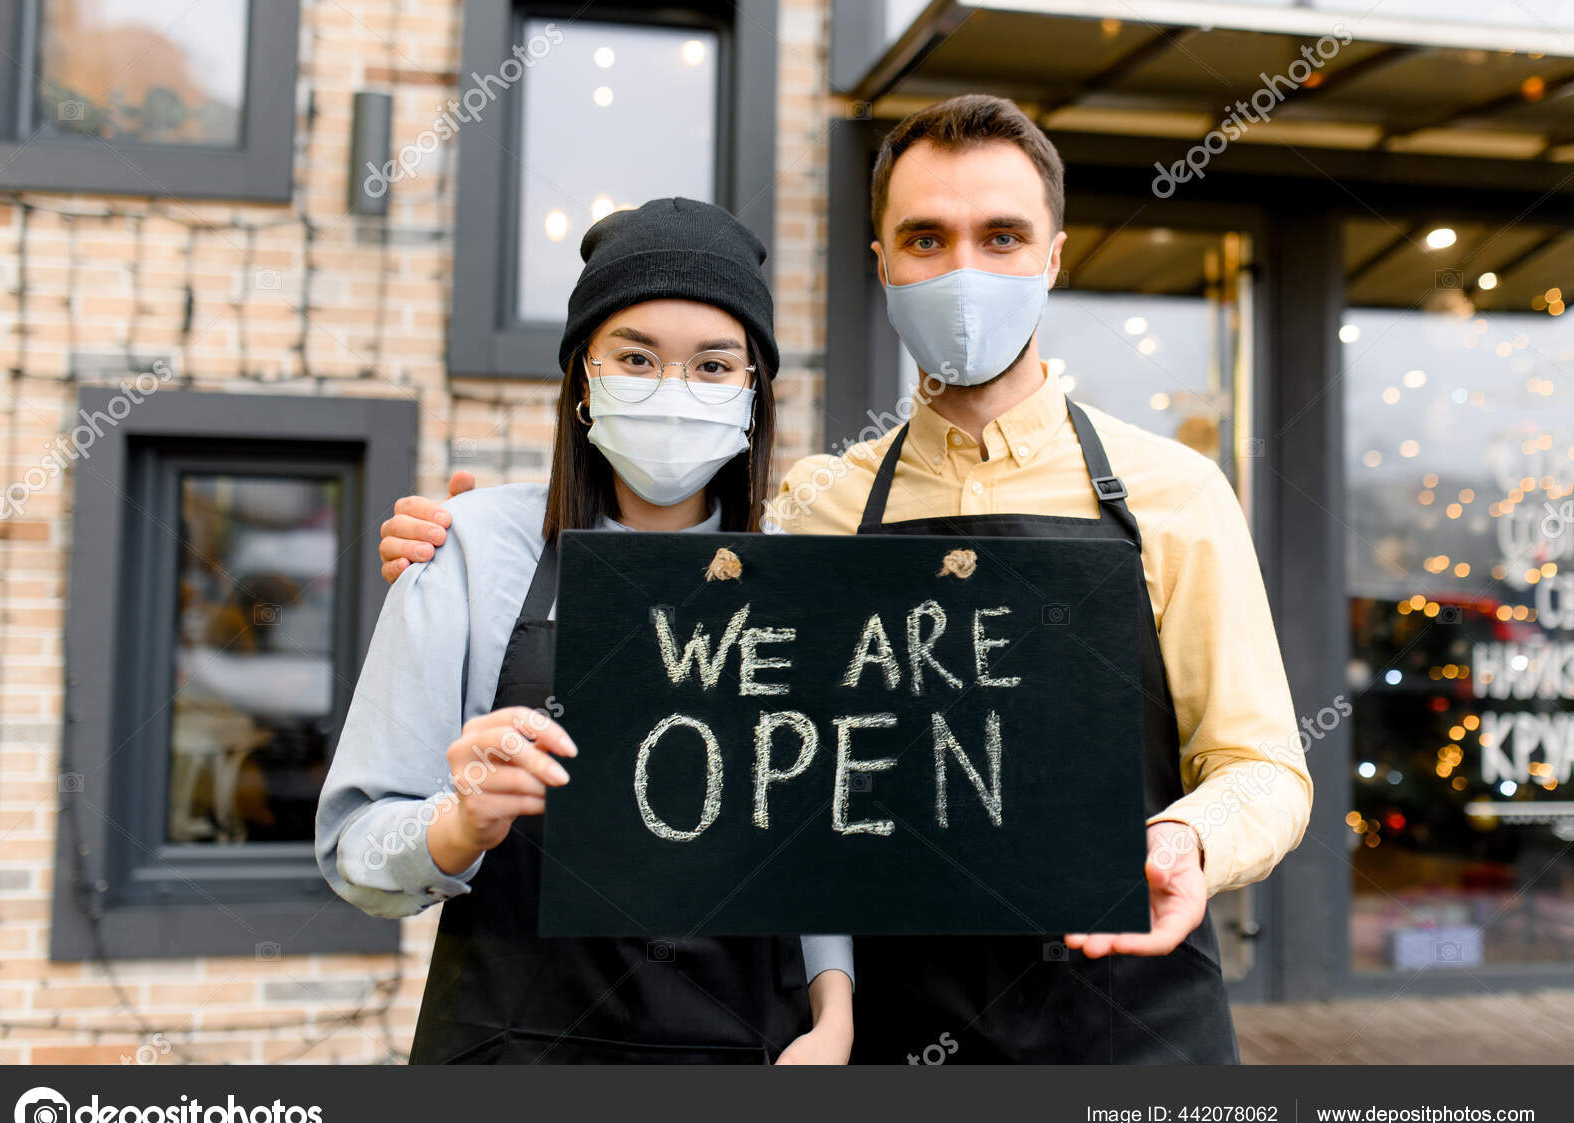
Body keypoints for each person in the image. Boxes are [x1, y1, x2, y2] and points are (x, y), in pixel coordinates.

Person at [376, 96, 1314, 1065]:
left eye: (1000, 237)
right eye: (925, 238)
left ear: (1052, 256)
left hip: (1130, 1022)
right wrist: (473, 545)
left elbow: (1264, 768)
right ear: (882, 264)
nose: (962, 270)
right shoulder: (813, 508)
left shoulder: (1175, 494)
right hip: (895, 1031)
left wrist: (1189, 840)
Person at [317, 197, 853, 1065]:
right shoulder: (469, 547)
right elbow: (354, 849)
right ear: (583, 381)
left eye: (714, 366)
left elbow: (815, 852)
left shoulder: (801, 579)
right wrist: (461, 824)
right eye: (636, 357)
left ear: (753, 395)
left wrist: (835, 1019)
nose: (674, 389)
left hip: (746, 1055)